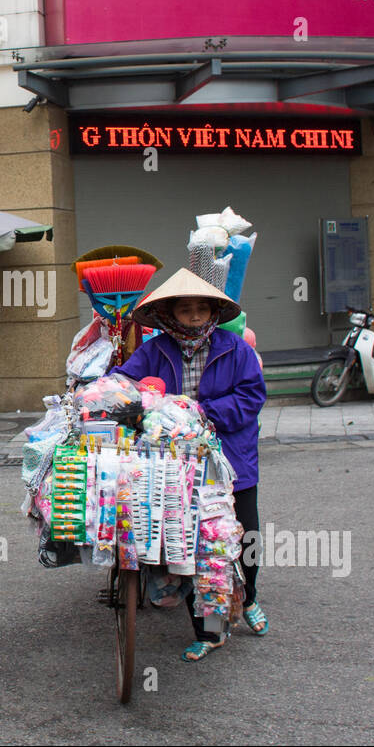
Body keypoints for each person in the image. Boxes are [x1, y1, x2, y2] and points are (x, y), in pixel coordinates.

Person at [108, 269, 268, 662]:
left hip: (230, 458)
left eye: (201, 308)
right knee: (197, 542)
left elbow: (251, 397)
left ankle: (247, 597)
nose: (194, 316)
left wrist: (198, 411)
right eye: (185, 309)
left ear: (213, 311)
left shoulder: (236, 349)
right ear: (170, 314)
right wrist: (107, 394)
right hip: (173, 462)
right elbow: (124, 382)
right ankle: (210, 630)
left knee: (244, 536)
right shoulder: (154, 351)